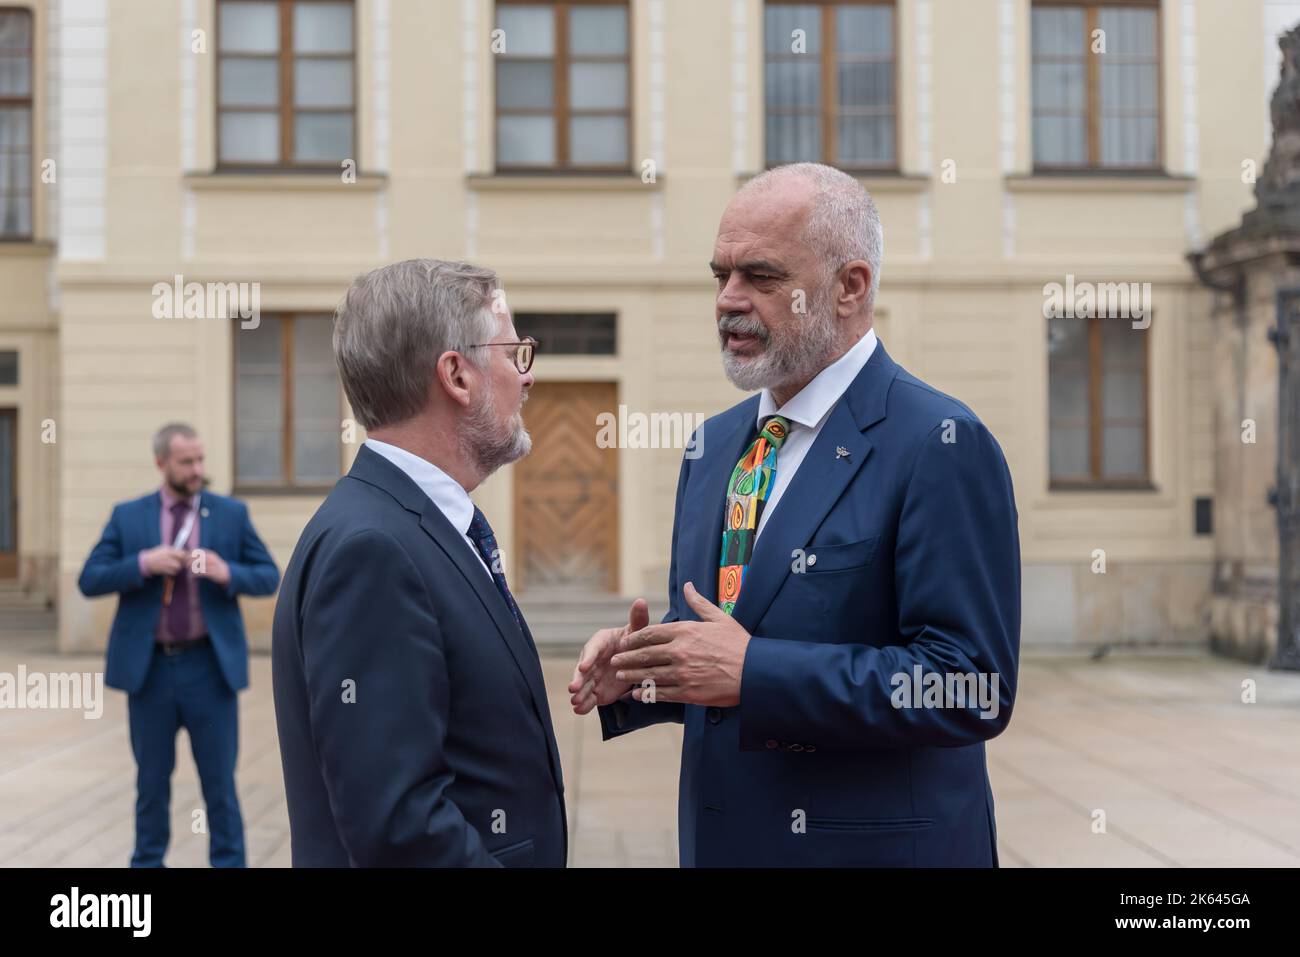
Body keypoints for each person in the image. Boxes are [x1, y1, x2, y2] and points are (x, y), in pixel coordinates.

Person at [570, 163, 1021, 867]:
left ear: (851, 287)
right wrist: (646, 672)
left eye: (762, 276)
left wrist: (757, 671)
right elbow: (726, 643)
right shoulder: (713, 445)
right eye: (719, 274)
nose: (728, 299)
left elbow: (969, 684)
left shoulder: (938, 444)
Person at [272, 259, 566, 867]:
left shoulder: (410, 525)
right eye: (516, 355)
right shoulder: (372, 550)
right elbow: (400, 827)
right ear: (457, 375)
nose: (527, 378)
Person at [78, 422, 280, 867]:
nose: (196, 470)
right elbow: (89, 579)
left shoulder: (230, 514)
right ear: (161, 463)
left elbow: (269, 576)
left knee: (220, 785)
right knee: (151, 784)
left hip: (210, 669)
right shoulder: (127, 516)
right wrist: (142, 563)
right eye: (186, 462)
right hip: (149, 673)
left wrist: (227, 572)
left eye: (200, 460)